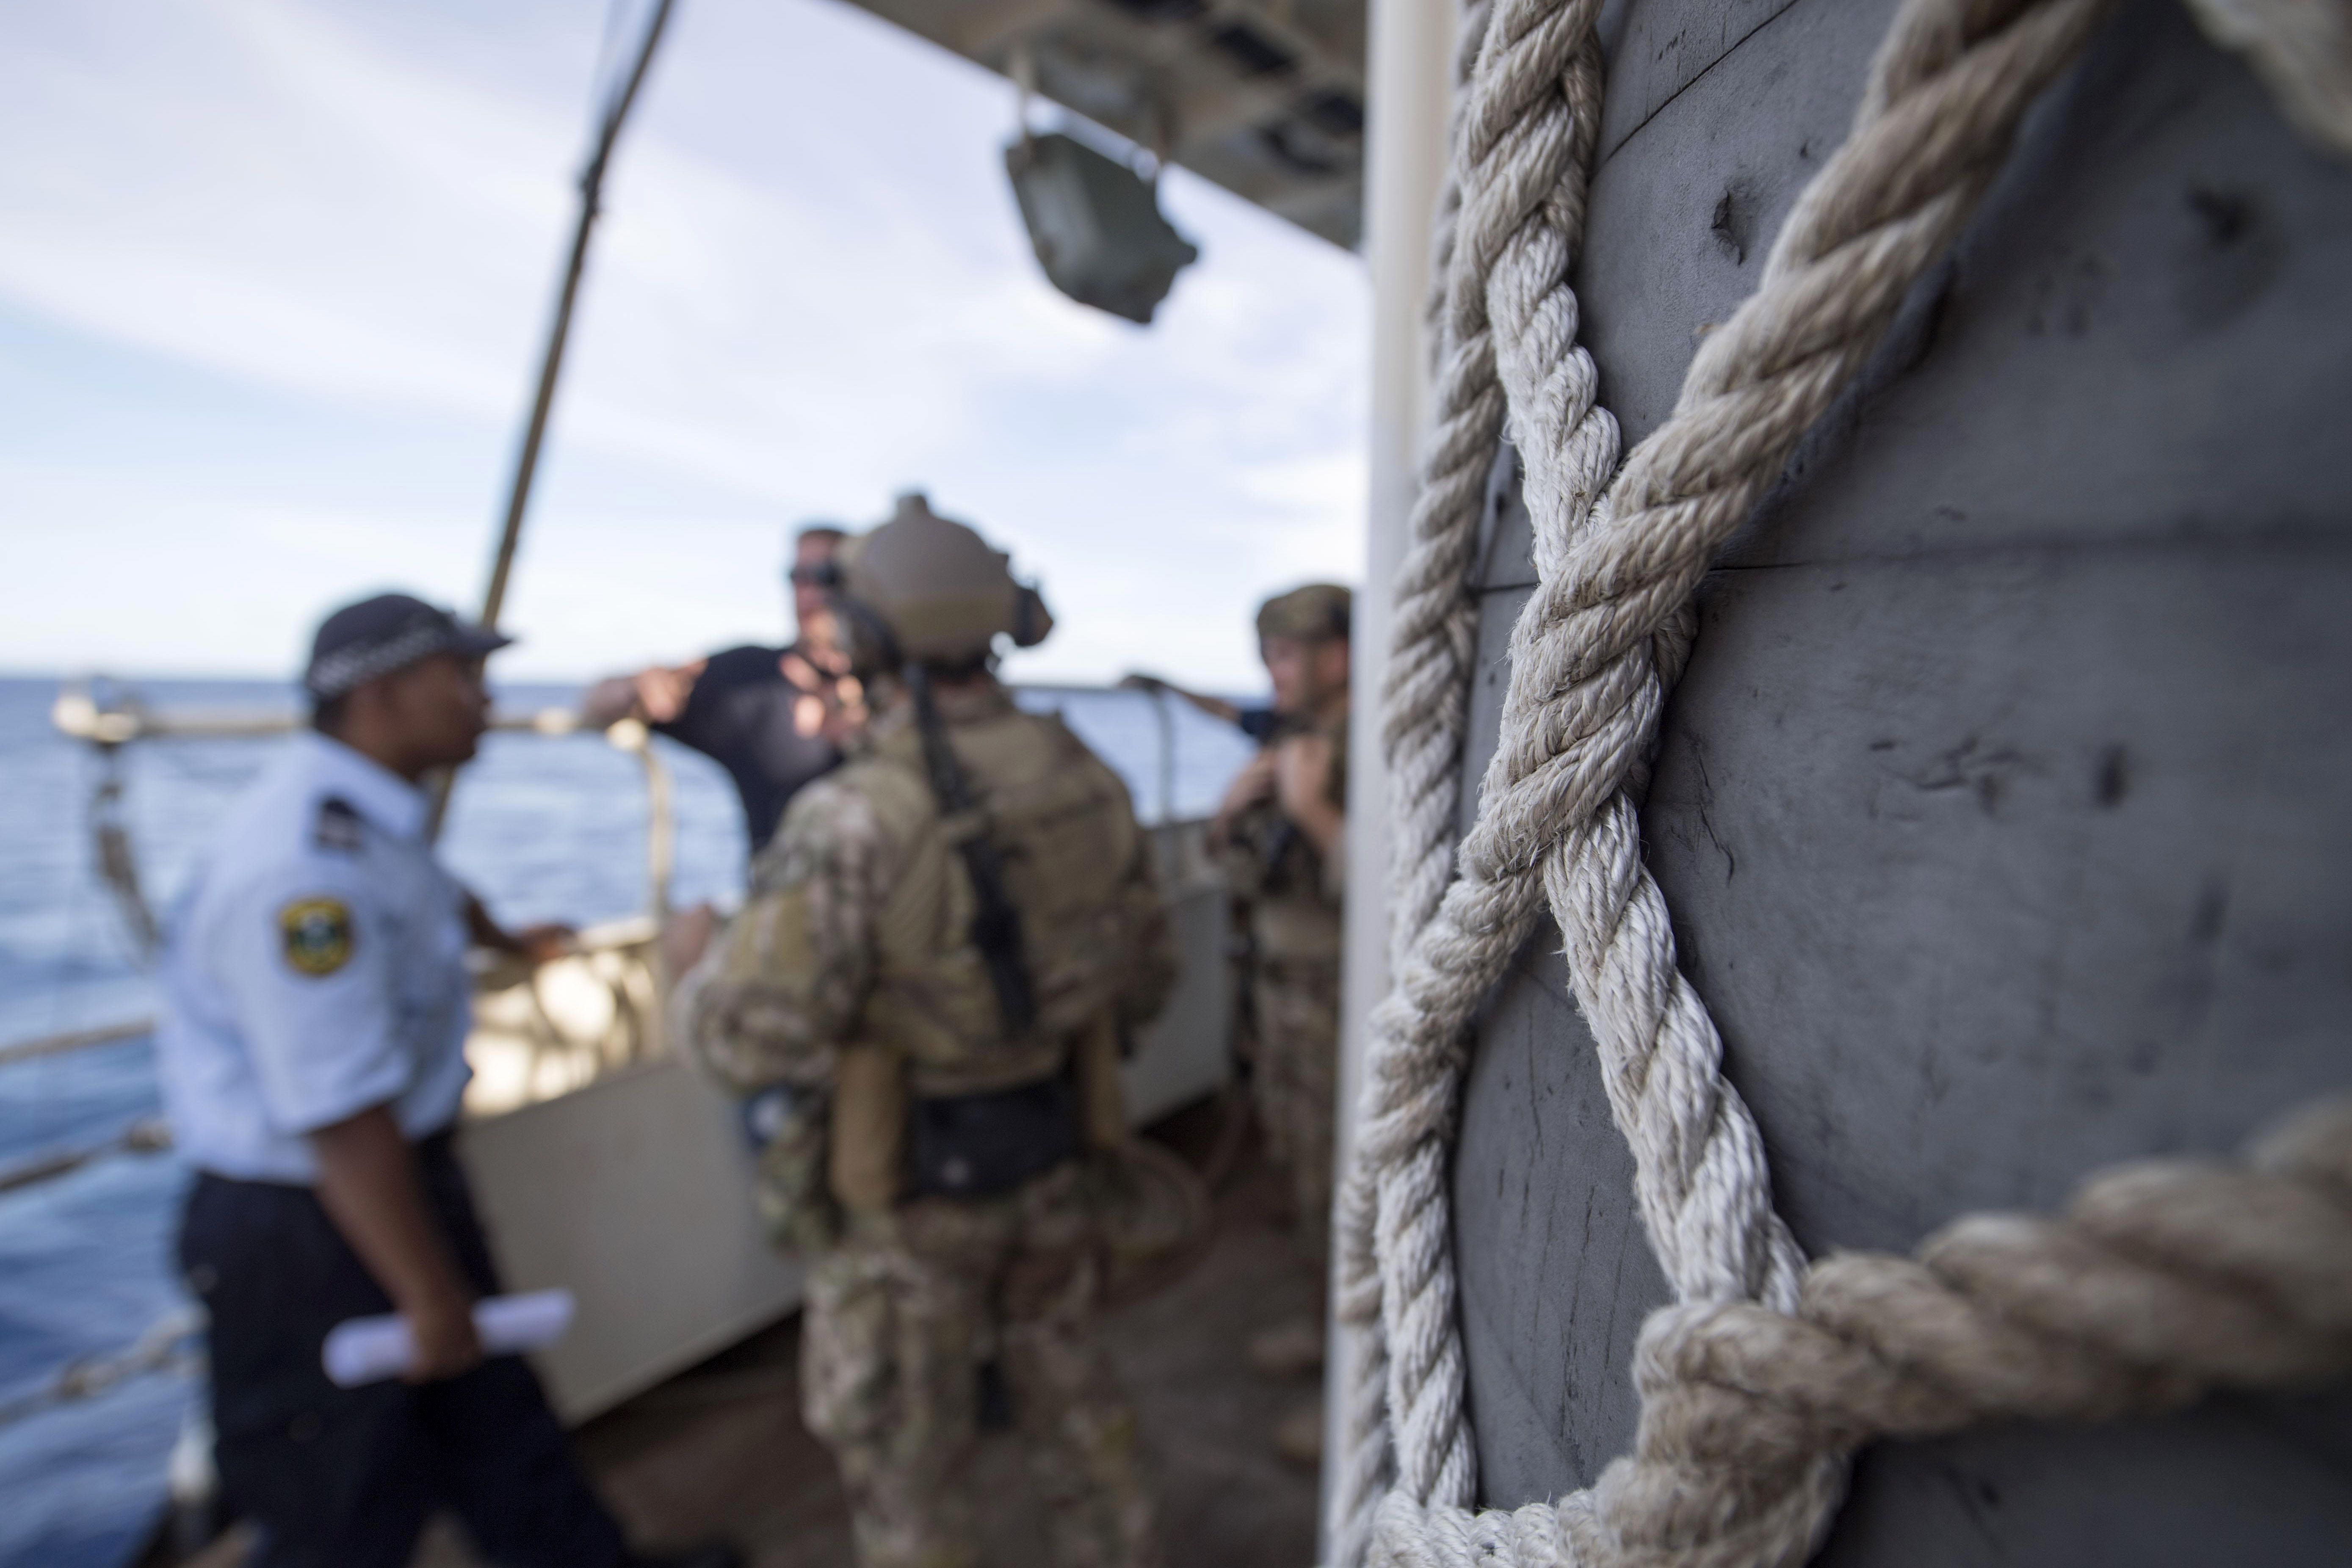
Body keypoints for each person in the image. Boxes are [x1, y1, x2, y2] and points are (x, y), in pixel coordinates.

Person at [159, 592, 734, 1568]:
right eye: (461, 677)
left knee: (503, 1433)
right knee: (337, 1507)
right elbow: (338, 1113)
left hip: (385, 1192)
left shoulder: (364, 818)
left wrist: (504, 938)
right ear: (380, 694)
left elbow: (419, 888)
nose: (484, 698)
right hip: (313, 1227)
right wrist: (427, 1293)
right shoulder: (304, 874)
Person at [673, 493, 1169, 1568]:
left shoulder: (856, 817)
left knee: (910, 1479)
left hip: (909, 1202)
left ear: (863, 635)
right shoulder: (1088, 779)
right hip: (1053, 1161)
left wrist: (699, 966)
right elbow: (1145, 983)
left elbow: (736, 1047)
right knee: (1079, 1422)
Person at [1132, 583, 1349, 1465]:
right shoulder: (1288, 739)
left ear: (1336, 655)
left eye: (1288, 655)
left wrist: (1314, 814)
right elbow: (1237, 853)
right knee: (1302, 1175)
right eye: (1267, 657)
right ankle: (1321, 1328)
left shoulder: (1370, 746)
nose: (1274, 674)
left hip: (1336, 998)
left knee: (1340, 1186)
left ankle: (1352, 1399)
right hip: (1283, 994)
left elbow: (1397, 889)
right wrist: (1232, 810)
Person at [581, 524, 865, 857]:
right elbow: (598, 701)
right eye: (797, 576)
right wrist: (637, 688)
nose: (810, 592)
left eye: (826, 575)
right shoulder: (746, 680)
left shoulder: (903, 689)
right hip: (781, 900)